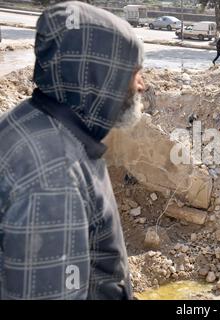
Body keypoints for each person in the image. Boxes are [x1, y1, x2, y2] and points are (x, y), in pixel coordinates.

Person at [0, 1, 146, 299]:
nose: (142, 85)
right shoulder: (54, 176)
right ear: (101, 75)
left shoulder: (35, 122)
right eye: (133, 72)